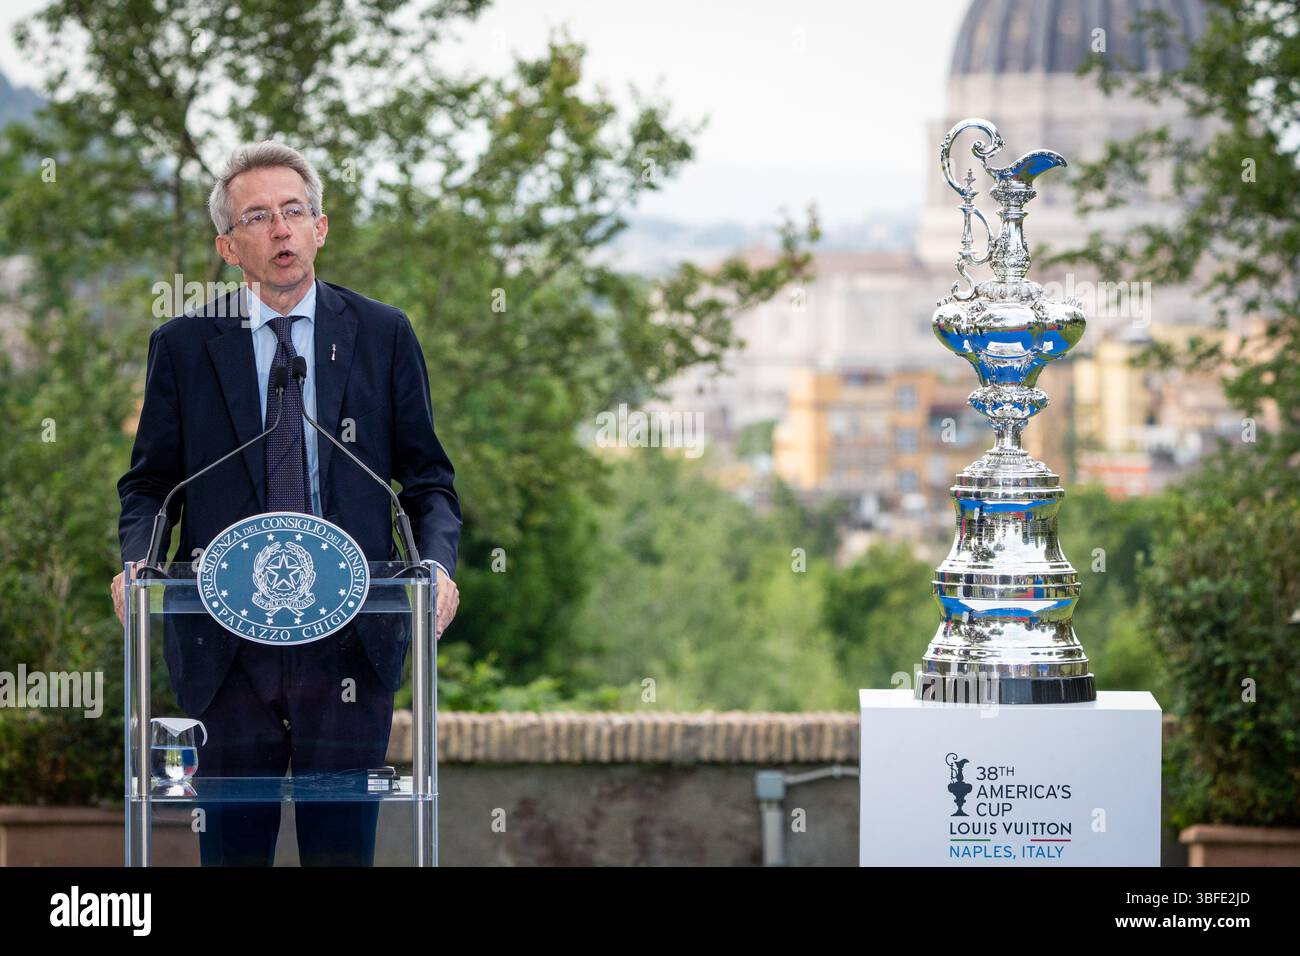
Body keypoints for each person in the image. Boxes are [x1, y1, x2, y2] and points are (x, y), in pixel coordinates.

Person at [113, 141, 461, 866]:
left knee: (341, 853)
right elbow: (151, 486)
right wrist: (135, 562)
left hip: (351, 641)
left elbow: (427, 481)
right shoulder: (183, 345)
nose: (281, 229)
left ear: (321, 228)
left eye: (294, 212)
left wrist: (436, 569)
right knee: (234, 853)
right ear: (227, 244)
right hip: (222, 643)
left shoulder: (383, 333)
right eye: (259, 216)